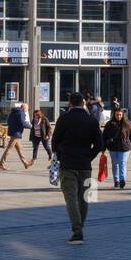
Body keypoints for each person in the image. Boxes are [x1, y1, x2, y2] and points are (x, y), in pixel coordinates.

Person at [50, 92, 103, 245]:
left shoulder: (64, 118)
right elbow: (99, 144)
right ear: (84, 103)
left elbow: (54, 142)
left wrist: (61, 154)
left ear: (70, 103)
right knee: (85, 197)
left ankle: (77, 231)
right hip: (86, 165)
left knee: (71, 198)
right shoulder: (91, 120)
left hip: (68, 165)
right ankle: (81, 226)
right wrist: (88, 156)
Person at [102, 106, 131, 188]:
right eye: (117, 115)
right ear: (114, 115)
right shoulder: (109, 124)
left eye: (120, 115)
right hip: (113, 147)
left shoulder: (128, 123)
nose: (118, 116)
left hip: (124, 147)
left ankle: (122, 180)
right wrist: (103, 149)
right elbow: (104, 136)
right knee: (115, 164)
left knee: (122, 163)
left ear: (123, 115)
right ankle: (116, 180)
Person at [0, 101, 31, 171]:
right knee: (9, 149)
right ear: (23, 108)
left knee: (19, 149)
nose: (26, 111)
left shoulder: (13, 112)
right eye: (27, 109)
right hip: (16, 133)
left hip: (13, 132)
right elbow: (22, 123)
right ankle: (1, 163)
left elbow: (8, 121)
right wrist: (31, 126)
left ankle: (25, 163)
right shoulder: (21, 113)